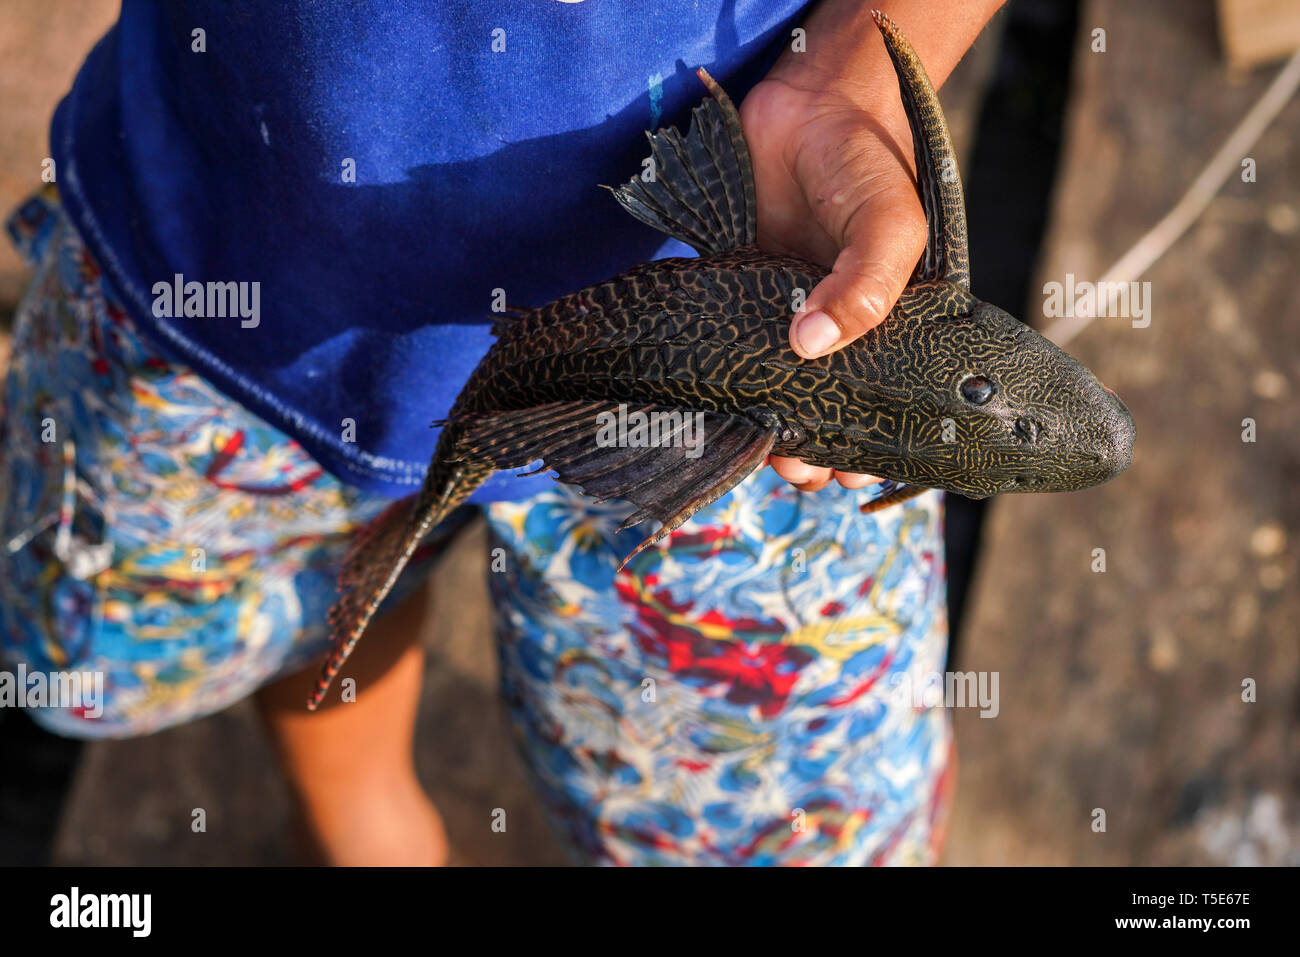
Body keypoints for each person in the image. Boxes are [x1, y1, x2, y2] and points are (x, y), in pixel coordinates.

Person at [0, 0, 1003, 865]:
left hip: (766, 292)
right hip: (248, 262)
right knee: (320, 594)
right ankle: (364, 826)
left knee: (788, 824)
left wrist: (849, 76)